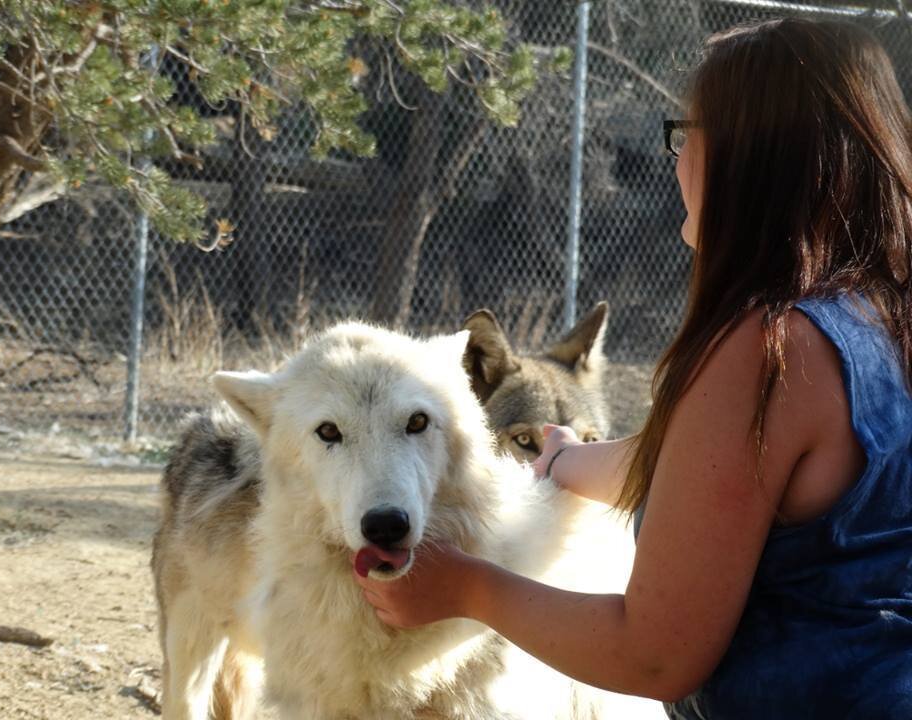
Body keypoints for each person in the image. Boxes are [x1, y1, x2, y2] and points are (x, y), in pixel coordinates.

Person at [354, 17, 912, 719]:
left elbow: (655, 653)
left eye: (688, 131)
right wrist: (562, 462)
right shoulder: (881, 315)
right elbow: (731, 482)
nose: (677, 157)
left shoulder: (771, 351)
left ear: (749, 157)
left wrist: (466, 588)